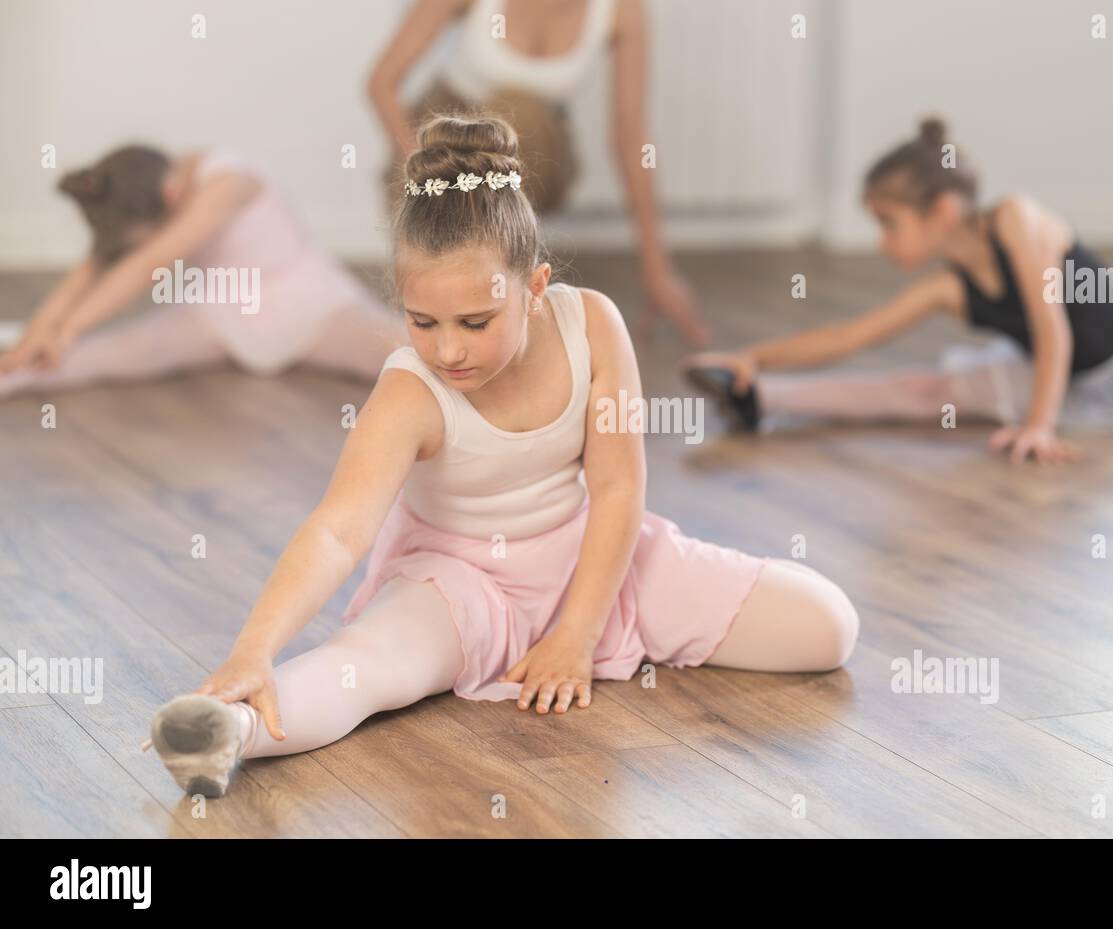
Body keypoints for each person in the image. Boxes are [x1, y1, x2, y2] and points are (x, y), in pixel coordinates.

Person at [144, 113, 858, 798]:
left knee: (827, 626)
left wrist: (576, 634)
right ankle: (227, 731)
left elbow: (617, 490)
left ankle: (616, 620)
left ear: (535, 287)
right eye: (423, 322)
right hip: (458, 582)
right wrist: (254, 645)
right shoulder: (409, 390)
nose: (448, 348)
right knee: (368, 668)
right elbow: (338, 529)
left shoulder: (595, 325)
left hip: (593, 559)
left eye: (475, 322)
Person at [682, 118, 1113, 464]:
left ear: (944, 210)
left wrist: (1038, 425)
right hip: (1053, 376)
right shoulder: (950, 287)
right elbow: (850, 335)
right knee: (927, 389)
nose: (881, 242)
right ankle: (760, 397)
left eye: (888, 223)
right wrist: (753, 356)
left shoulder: (1016, 219)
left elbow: (1051, 324)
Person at [367, 0, 712, 345]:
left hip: (532, 149)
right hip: (438, 146)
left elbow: (630, 139)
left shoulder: (621, 9)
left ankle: (499, 302)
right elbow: (381, 82)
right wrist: (432, 175)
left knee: (519, 111)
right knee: (438, 272)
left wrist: (658, 272)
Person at [0, 145, 402, 397]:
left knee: (401, 352)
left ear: (172, 196)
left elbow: (148, 264)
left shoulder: (228, 182)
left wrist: (68, 329)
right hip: (219, 316)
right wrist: (39, 332)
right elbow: (94, 265)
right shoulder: (145, 193)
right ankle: (14, 375)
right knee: (109, 353)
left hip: (310, 307)